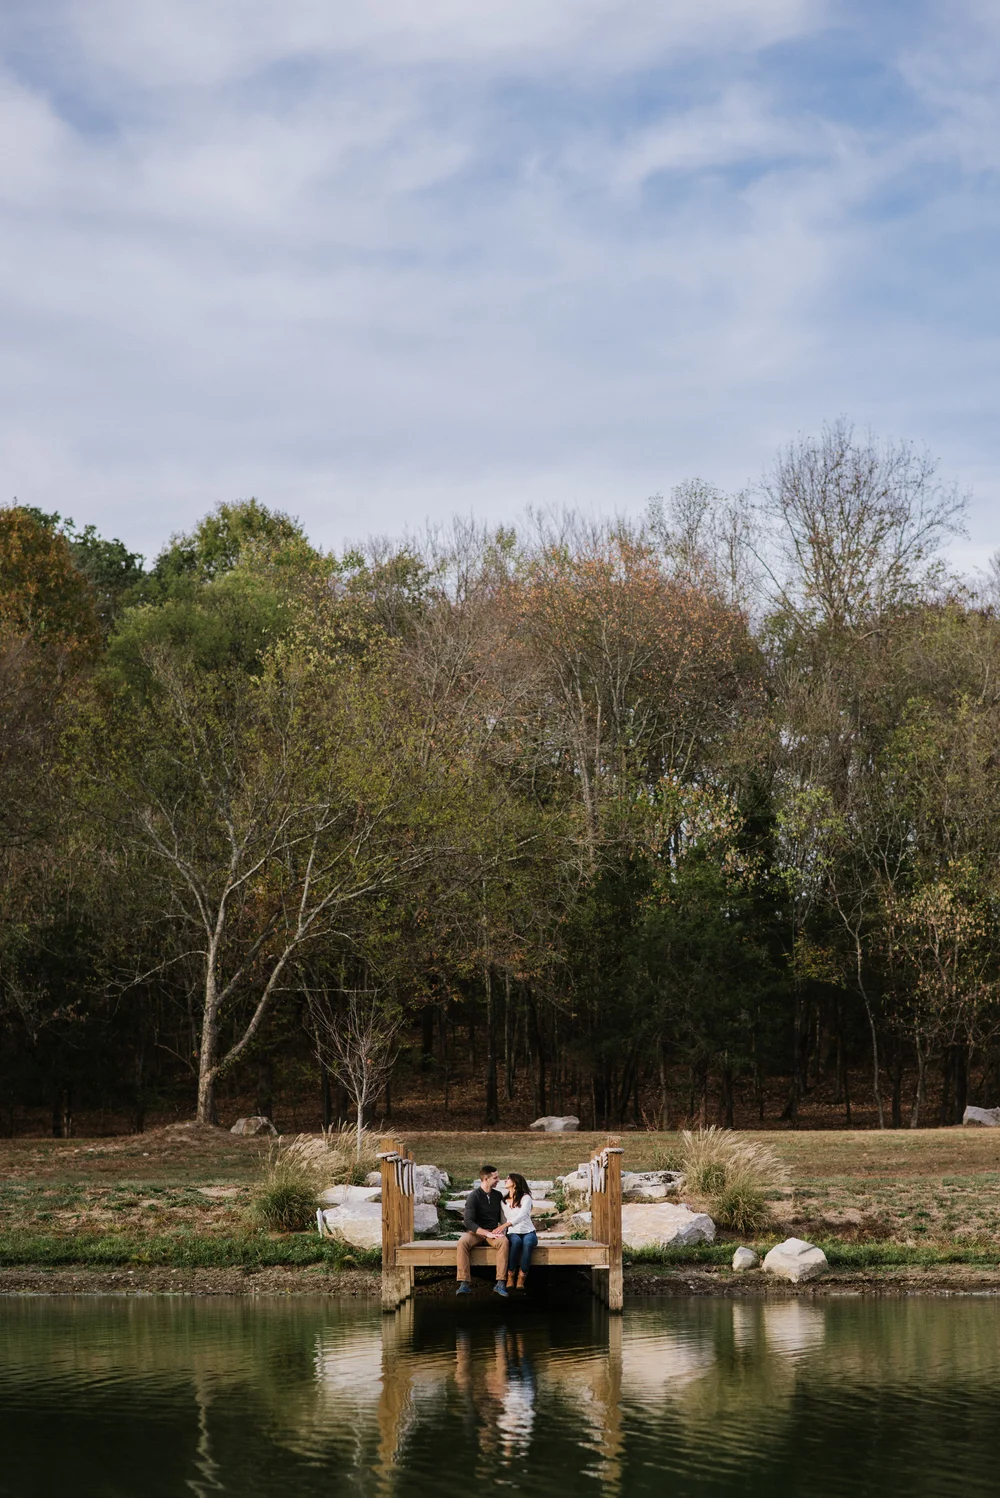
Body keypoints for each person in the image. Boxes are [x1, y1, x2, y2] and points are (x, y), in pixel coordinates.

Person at [456, 1163, 510, 1296]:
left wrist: (502, 1230)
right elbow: (468, 1222)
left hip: (494, 1232)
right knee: (462, 1242)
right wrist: (485, 1233)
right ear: (486, 1179)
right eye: (495, 1178)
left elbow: (503, 1216)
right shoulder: (473, 1196)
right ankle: (464, 1283)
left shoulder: (497, 1196)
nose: (498, 1180)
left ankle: (500, 1282)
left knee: (504, 1242)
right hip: (477, 1232)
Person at [502, 1172, 537, 1292]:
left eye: (508, 1179)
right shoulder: (504, 1200)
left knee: (527, 1243)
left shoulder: (525, 1198)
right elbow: (502, 1217)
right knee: (516, 1242)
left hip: (528, 1231)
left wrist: (506, 1225)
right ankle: (510, 1275)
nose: (505, 1180)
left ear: (515, 1183)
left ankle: (521, 1278)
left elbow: (522, 1216)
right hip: (513, 1232)